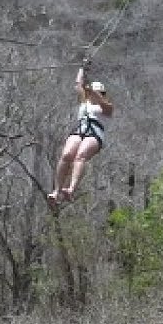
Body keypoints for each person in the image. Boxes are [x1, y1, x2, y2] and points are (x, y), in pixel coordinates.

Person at [46, 58, 114, 210]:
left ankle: (71, 189)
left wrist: (91, 90)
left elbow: (99, 99)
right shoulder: (85, 101)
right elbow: (78, 84)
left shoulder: (106, 106)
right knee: (67, 155)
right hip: (80, 129)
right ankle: (56, 191)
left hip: (95, 133)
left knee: (80, 156)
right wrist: (83, 67)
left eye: (99, 93)